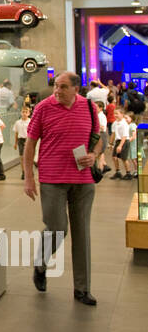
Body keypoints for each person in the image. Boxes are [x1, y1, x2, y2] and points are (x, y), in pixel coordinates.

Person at [23, 71, 99, 305]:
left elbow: (99, 137)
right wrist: (28, 177)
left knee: (82, 233)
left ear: (76, 89)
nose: (57, 91)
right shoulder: (44, 108)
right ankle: (41, 262)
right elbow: (30, 143)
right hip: (52, 178)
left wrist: (94, 155)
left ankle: (82, 289)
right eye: (56, 86)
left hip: (83, 180)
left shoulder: (89, 107)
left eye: (63, 87)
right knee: (57, 227)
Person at [13, 101, 31, 179]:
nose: (24, 113)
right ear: (21, 113)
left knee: (28, 157)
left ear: (29, 113)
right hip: (21, 140)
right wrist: (15, 143)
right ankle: (23, 172)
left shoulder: (30, 122)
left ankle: (28, 172)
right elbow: (16, 133)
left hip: (28, 140)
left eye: (26, 112)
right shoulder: (18, 122)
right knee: (22, 157)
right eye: (23, 112)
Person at [111, 107, 130, 178]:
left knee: (123, 158)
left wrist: (120, 146)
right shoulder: (115, 123)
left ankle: (128, 173)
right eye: (114, 113)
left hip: (124, 141)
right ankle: (117, 172)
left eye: (117, 114)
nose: (115, 115)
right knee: (114, 157)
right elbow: (113, 133)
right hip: (118, 141)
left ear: (122, 114)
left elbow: (124, 136)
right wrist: (111, 143)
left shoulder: (124, 124)